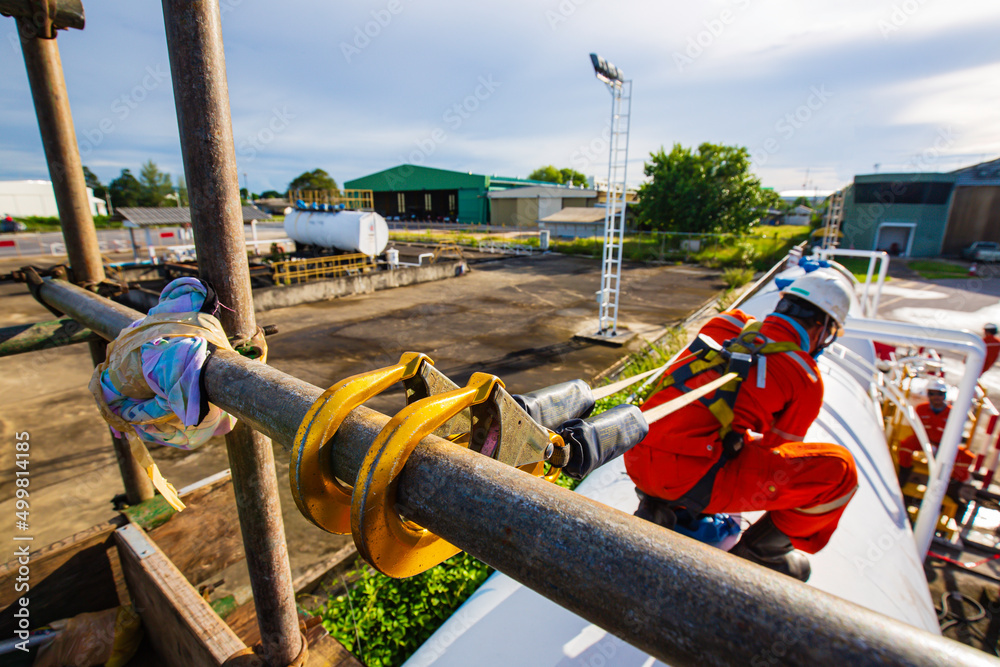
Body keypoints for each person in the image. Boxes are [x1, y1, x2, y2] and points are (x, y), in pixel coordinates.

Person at [626, 270, 859, 582]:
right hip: (688, 481)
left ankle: (661, 506)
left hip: (636, 455)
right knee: (840, 473)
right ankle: (761, 554)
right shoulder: (806, 376)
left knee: (710, 429)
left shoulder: (725, 323)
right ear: (821, 328)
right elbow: (775, 450)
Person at [896, 378, 975, 491]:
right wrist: (928, 444)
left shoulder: (953, 413)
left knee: (966, 457)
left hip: (945, 444)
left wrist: (941, 448)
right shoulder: (921, 409)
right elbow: (917, 429)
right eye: (932, 393)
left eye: (939, 394)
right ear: (928, 394)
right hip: (923, 440)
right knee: (905, 446)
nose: (936, 397)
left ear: (944, 395)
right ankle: (903, 474)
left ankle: (953, 488)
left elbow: (956, 435)